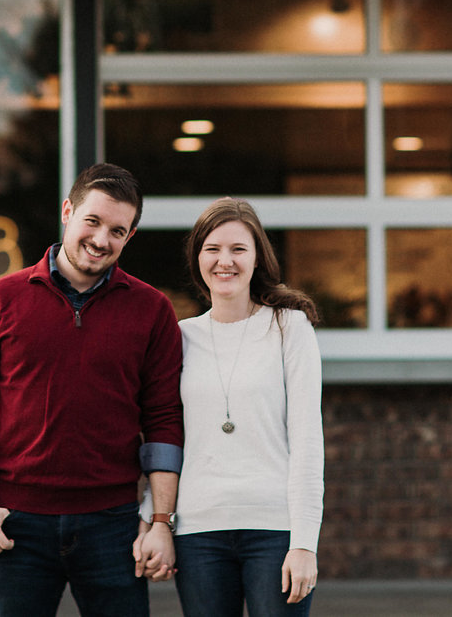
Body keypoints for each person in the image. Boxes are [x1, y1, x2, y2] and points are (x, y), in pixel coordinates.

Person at [0, 163, 184, 617]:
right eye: (92, 221)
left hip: (113, 525)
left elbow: (163, 418)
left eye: (117, 231)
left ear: (130, 236)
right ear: (67, 212)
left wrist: (160, 522)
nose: (101, 239)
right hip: (16, 523)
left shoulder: (152, 310)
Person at [147, 197, 324, 616]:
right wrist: (155, 520)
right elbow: (165, 433)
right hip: (198, 532)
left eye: (238, 249)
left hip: (275, 530)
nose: (224, 261)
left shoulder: (288, 326)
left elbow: (307, 441)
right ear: (198, 259)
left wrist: (304, 543)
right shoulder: (179, 336)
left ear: (257, 258)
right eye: (212, 249)